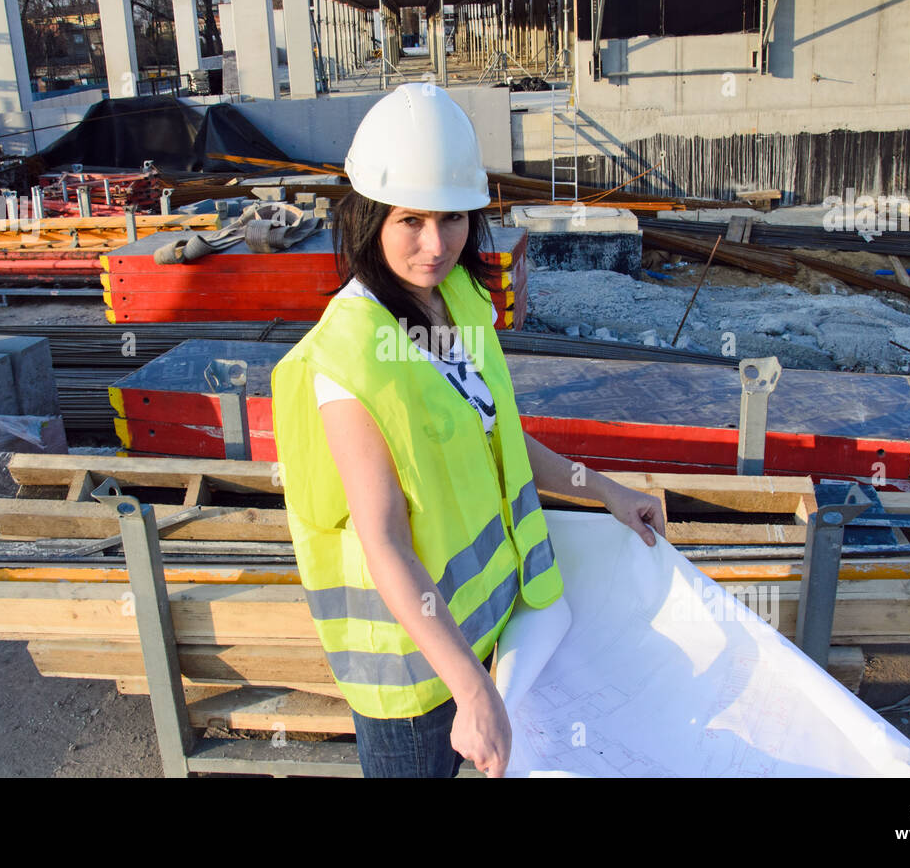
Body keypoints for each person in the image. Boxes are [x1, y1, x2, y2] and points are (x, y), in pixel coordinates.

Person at [269, 83, 664, 779]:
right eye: (410, 220)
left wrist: (603, 489)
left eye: (452, 219)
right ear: (367, 217)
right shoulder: (351, 356)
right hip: (417, 680)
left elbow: (502, 443)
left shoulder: (456, 301)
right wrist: (470, 688)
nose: (435, 244)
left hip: (494, 635)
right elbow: (383, 539)